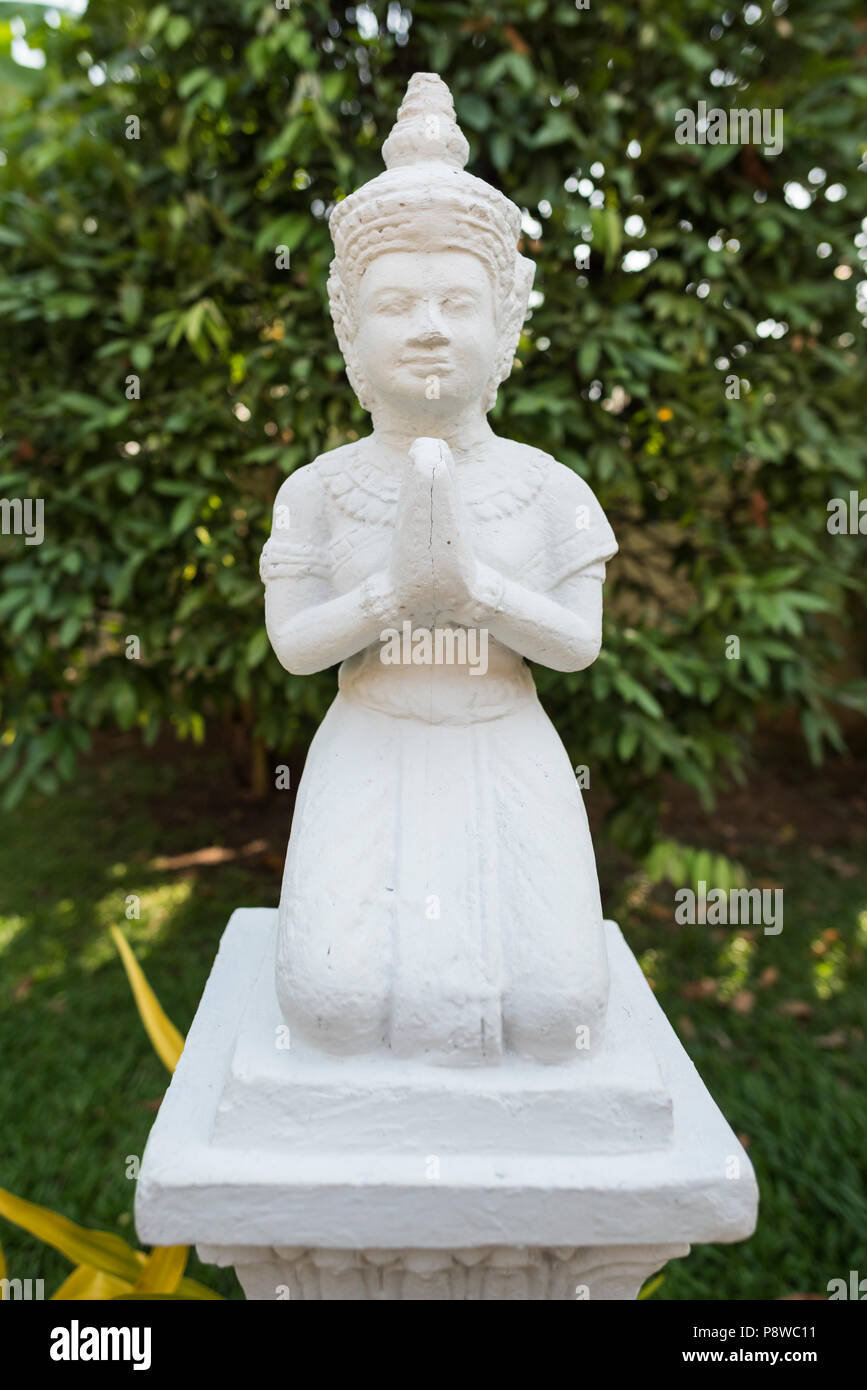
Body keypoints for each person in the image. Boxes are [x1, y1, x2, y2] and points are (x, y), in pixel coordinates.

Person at [259, 74, 618, 1065]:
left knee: (553, 1015)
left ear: (505, 327)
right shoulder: (319, 489)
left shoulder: (545, 488)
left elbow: (578, 644)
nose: (427, 325)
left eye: (458, 301)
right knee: (329, 1006)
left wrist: (478, 595)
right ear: (348, 332)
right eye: (396, 303)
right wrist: (388, 597)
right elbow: (294, 646)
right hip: (370, 734)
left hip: (502, 737)